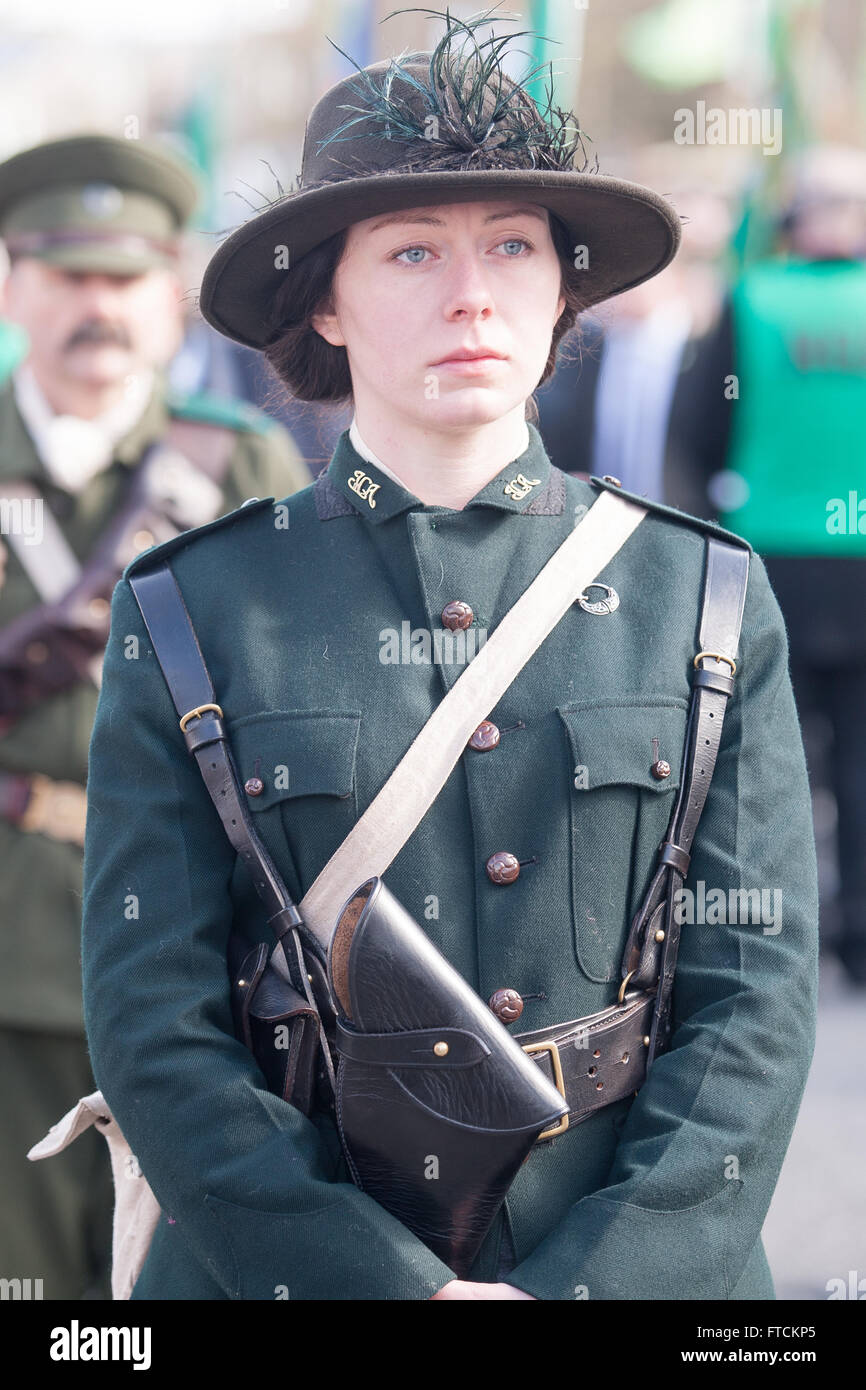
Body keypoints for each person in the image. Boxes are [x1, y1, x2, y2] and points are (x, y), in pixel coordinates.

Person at [80, 12, 818, 1300]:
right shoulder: (195, 606)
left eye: (512, 246)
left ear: (559, 288)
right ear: (325, 296)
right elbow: (155, 1019)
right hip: (287, 1266)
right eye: (412, 249)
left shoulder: (698, 590)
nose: (471, 291)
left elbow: (751, 998)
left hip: (644, 1261)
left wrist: (593, 1283)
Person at [0, 132, 311, 1299]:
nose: (98, 305)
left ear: (170, 295)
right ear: (9, 283)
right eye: (67, 273)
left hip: (199, 952)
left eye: (125, 277)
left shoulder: (240, 469)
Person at [694, 145, 866, 986]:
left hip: (773, 561)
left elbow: (699, 428)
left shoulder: (752, 296)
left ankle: (781, 937)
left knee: (774, 764)